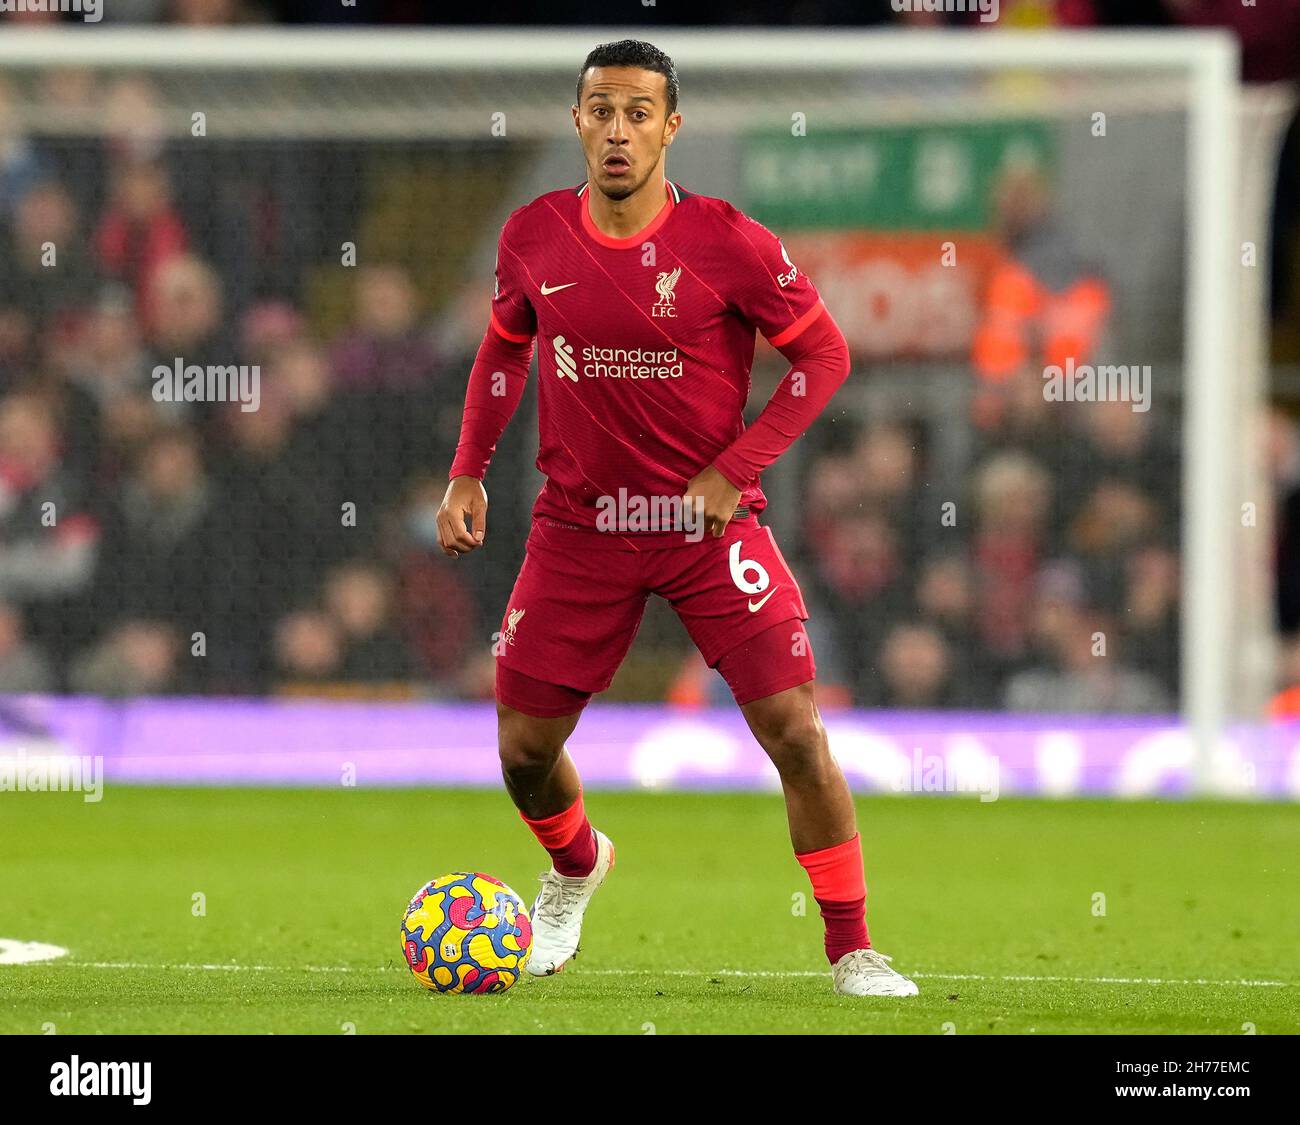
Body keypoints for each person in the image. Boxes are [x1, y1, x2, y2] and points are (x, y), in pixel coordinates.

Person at [437, 39, 917, 998]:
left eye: (639, 113)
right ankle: (576, 865)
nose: (618, 130)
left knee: (794, 728)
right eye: (601, 110)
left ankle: (853, 947)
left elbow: (825, 359)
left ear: (671, 127)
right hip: (578, 526)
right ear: (577, 121)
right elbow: (503, 349)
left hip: (708, 528)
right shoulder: (532, 235)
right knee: (524, 753)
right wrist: (467, 474)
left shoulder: (729, 242)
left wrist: (732, 470)